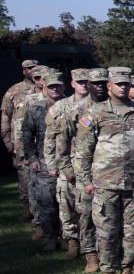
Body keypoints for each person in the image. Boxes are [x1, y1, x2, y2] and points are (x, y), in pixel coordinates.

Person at [76, 68, 134, 274]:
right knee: (107, 232)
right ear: (109, 86)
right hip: (104, 184)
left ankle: (128, 272)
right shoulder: (93, 113)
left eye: (126, 84)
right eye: (118, 83)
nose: (123, 87)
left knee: (132, 232)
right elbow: (83, 151)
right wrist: (85, 180)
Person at [64, 68, 110, 272]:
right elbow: (62, 140)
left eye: (103, 83)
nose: (99, 87)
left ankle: (110, 253)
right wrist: (67, 168)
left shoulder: (115, 107)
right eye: (95, 83)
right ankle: (90, 254)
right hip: (85, 171)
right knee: (87, 214)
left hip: (110, 171)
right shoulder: (78, 110)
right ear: (88, 85)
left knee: (110, 215)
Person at [45, 68, 90, 259]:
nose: (84, 85)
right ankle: (72, 241)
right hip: (67, 162)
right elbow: (50, 137)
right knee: (67, 202)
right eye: (80, 82)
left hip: (90, 164)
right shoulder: (60, 107)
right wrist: (52, 164)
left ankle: (91, 243)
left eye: (86, 81)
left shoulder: (100, 105)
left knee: (89, 205)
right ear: (72, 84)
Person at [23, 71, 65, 250]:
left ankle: (67, 237)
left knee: (67, 203)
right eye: (51, 87)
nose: (55, 90)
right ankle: (51, 237)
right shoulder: (36, 109)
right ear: (45, 88)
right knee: (47, 202)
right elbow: (26, 136)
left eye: (58, 86)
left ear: (64, 87)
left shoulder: (71, 106)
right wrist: (32, 158)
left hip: (67, 161)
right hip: (44, 161)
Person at [2, 59, 40, 219]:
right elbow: (5, 116)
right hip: (20, 142)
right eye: (29, 68)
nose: (33, 70)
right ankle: (27, 208)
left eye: (35, 67)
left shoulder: (46, 87)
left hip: (41, 141)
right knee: (24, 176)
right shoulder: (14, 91)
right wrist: (7, 141)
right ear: (24, 71)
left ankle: (42, 211)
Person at [14, 66, 47, 236]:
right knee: (35, 189)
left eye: (44, 78)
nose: (42, 81)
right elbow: (21, 128)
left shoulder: (62, 99)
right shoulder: (29, 100)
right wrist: (24, 154)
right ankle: (39, 223)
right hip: (36, 152)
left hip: (55, 153)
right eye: (38, 78)